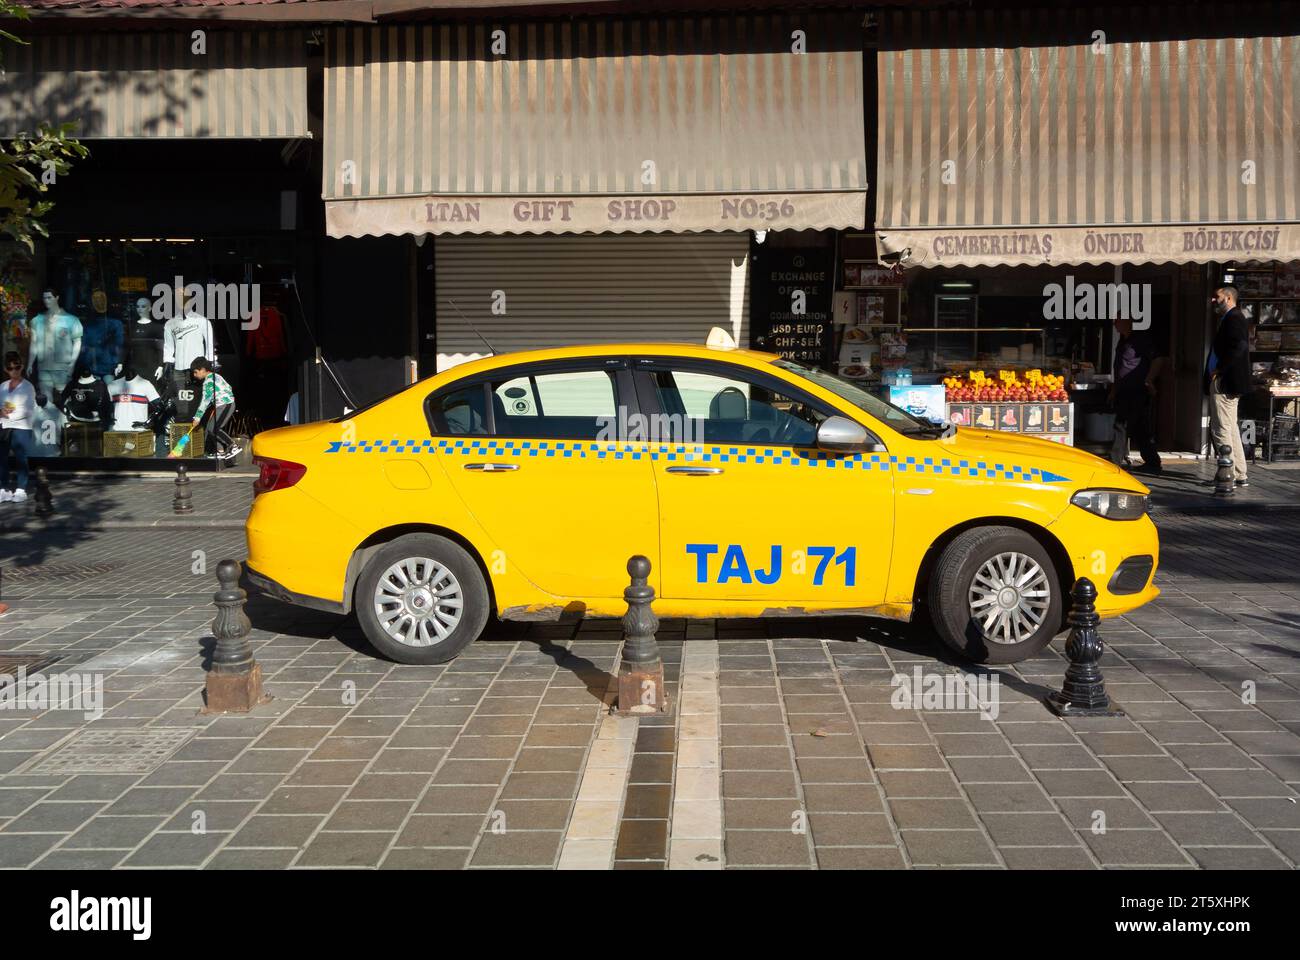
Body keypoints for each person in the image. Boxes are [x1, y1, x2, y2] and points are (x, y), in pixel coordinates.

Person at [1206, 286, 1251, 487]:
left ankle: (1228, 472)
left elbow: (1240, 346)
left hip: (1225, 382)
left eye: (1218, 297)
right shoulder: (1231, 318)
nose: (1214, 301)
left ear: (1229, 297)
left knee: (1221, 428)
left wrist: (1221, 369)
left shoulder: (1234, 318)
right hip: (1227, 381)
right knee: (1231, 427)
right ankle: (1240, 472)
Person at [1110, 317, 1164, 474]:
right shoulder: (1122, 340)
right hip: (1124, 389)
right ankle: (1151, 461)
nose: (1115, 324)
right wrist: (1114, 390)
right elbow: (1119, 366)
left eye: (1117, 321)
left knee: (1131, 426)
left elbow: (1158, 359)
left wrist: (1149, 380)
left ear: (1127, 322)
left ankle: (1117, 461)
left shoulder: (1140, 340)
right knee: (1128, 426)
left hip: (1137, 389)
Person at [0, 351, 37, 503]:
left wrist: (7, 415)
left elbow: (28, 409)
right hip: (3, 426)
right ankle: (3, 488)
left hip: (21, 426)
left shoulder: (28, 387)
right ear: (6, 369)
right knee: (1, 458)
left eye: (17, 367)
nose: (14, 371)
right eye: (10, 368)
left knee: (21, 457)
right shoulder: (2, 386)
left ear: (22, 367)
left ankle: (21, 489)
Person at [190, 356, 239, 460]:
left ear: (202, 370)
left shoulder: (208, 382)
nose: (194, 375)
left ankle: (233, 446)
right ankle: (220, 452)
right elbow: (229, 387)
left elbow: (204, 402)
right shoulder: (216, 376)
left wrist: (197, 418)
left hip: (225, 404)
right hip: (223, 404)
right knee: (210, 428)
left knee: (215, 429)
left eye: (195, 372)